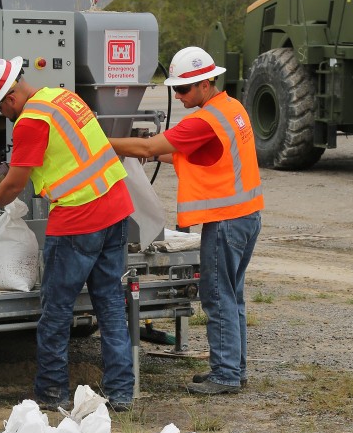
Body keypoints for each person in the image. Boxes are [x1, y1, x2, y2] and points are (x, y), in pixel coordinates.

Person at [0, 55, 135, 412]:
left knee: (57, 312)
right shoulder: (63, 98)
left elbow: (15, 183)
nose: (3, 115)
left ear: (10, 98)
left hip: (78, 219)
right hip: (116, 208)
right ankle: (121, 393)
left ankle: (51, 392)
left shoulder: (29, 120)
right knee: (109, 305)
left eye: (0, 108)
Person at [108, 47, 263, 396]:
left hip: (226, 221)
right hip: (247, 217)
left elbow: (151, 148)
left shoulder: (204, 120)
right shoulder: (230, 109)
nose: (178, 95)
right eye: (176, 89)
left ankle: (224, 374)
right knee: (232, 295)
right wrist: (137, 151)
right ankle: (233, 370)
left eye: (183, 89)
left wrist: (103, 144)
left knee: (218, 297)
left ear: (206, 83)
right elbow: (182, 152)